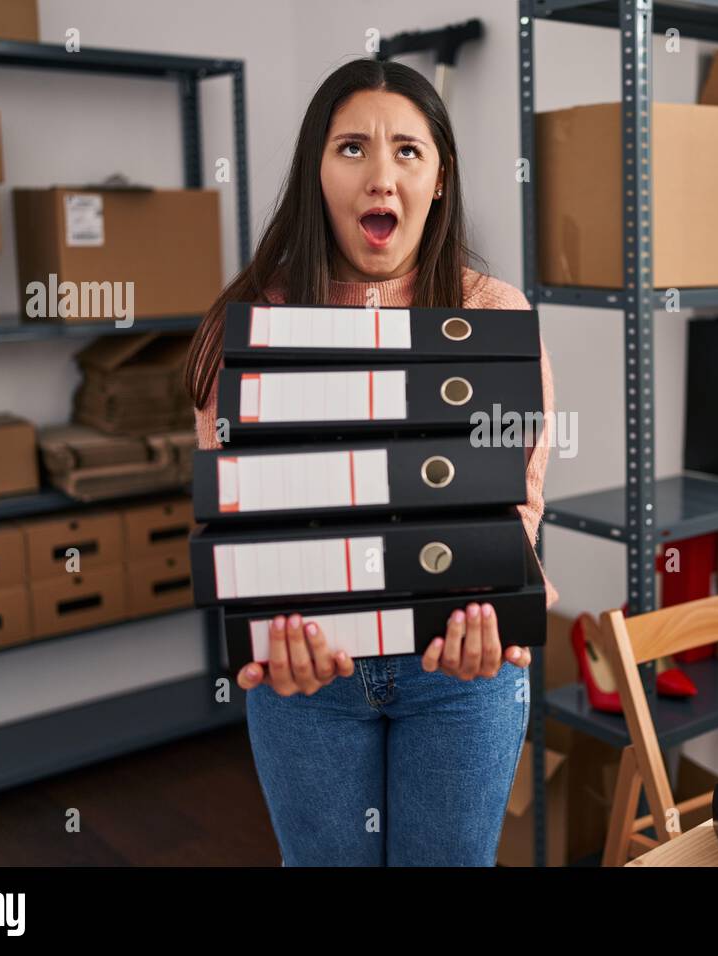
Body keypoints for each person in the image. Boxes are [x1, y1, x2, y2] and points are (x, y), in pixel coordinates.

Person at [184, 57, 557, 866]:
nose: (380, 174)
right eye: (352, 148)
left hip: (462, 669)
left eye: (408, 151)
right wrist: (266, 626)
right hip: (305, 678)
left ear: (440, 180)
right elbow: (234, 516)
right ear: (316, 172)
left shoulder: (494, 316)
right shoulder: (249, 326)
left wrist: (500, 599)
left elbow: (516, 507)